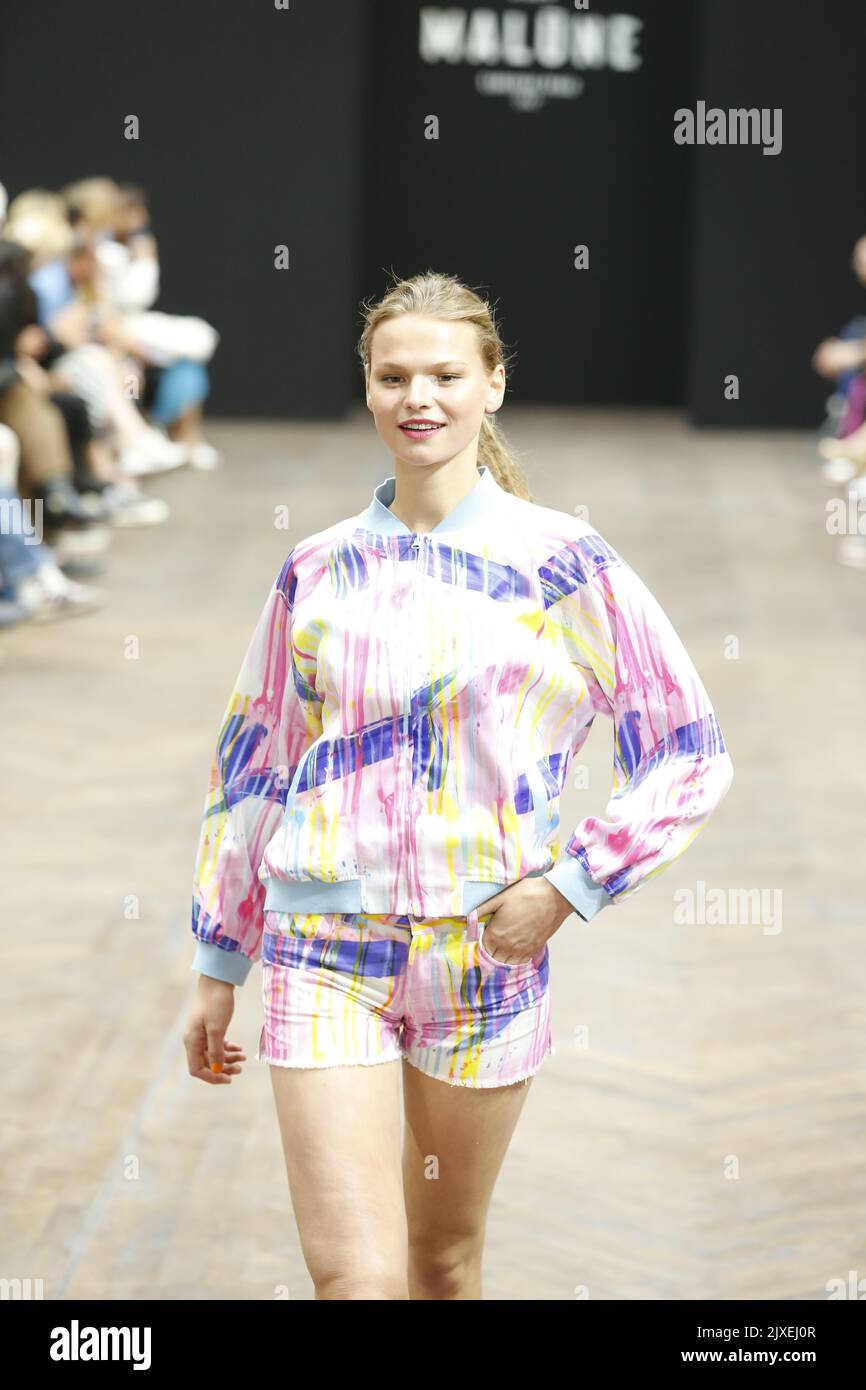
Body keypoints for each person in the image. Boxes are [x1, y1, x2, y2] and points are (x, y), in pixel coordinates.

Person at [184, 270, 735, 1300]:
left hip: (484, 950)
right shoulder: (316, 567)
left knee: (441, 1263)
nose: (416, 397)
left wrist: (570, 886)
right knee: (354, 1277)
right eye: (392, 376)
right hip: (324, 949)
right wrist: (221, 956)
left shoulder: (561, 563)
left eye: (444, 373)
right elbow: (253, 760)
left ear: (492, 385)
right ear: (367, 388)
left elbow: (688, 746)